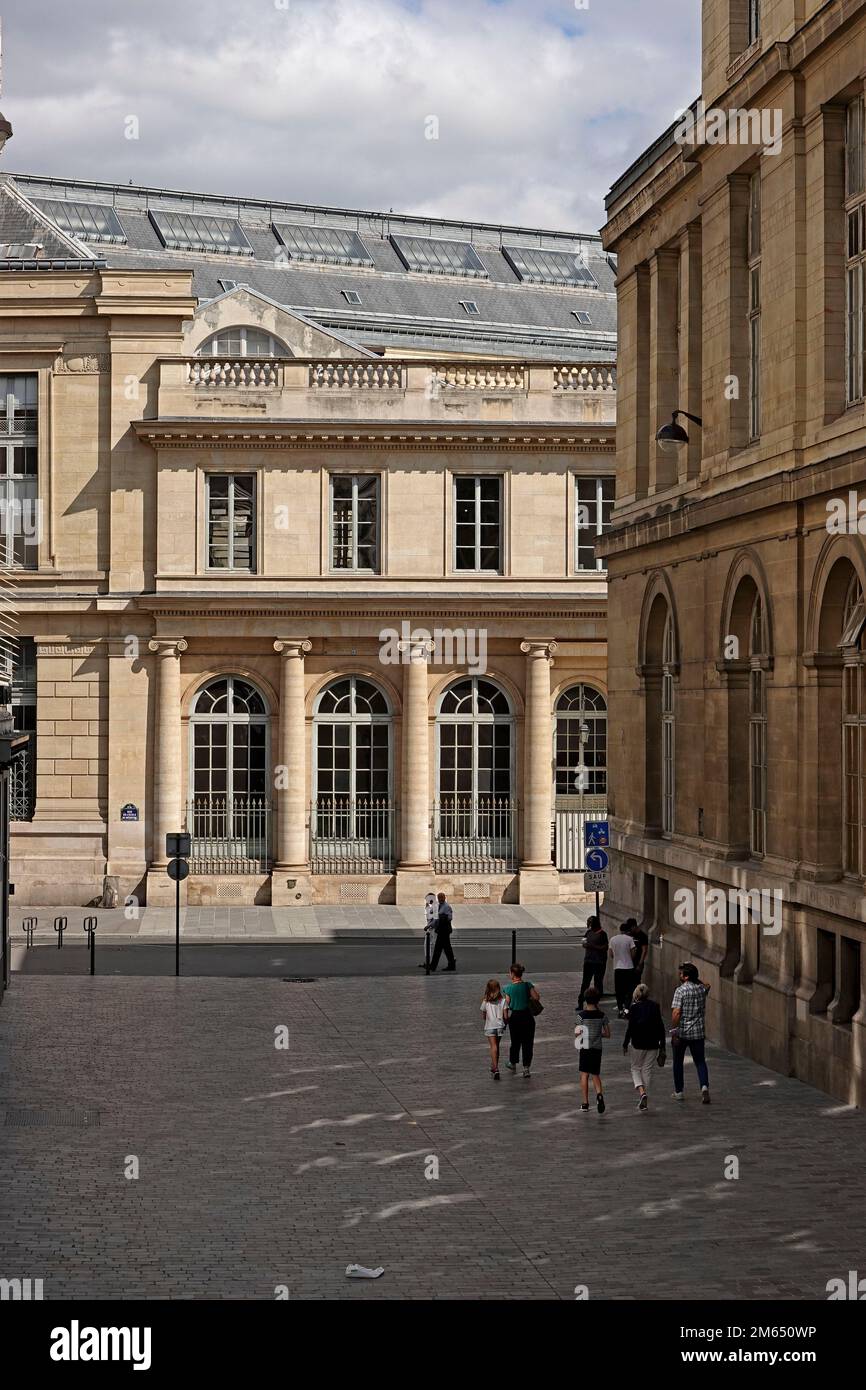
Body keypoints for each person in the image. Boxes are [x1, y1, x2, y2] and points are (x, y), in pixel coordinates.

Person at [671, 962, 712, 1103]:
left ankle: (679, 1091)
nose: (679, 976)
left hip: (682, 1032)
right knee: (700, 1061)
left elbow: (676, 1012)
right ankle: (704, 1087)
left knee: (677, 1062)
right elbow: (708, 985)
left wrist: (674, 1031)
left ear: (686, 977)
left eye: (681, 974)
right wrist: (696, 980)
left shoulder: (680, 991)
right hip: (698, 1032)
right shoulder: (701, 989)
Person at [622, 982, 666, 1110]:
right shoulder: (655, 1006)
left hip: (638, 1043)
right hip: (653, 1043)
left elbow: (630, 1028)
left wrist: (625, 1043)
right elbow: (660, 1026)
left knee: (635, 1068)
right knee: (646, 1069)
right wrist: (662, 1045)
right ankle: (644, 1094)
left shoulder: (634, 1008)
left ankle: (642, 1093)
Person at [575, 985, 610, 1112]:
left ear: (585, 1000)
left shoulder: (581, 1016)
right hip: (597, 1048)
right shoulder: (602, 1015)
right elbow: (607, 1034)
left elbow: (577, 1034)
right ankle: (599, 1094)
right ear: (598, 1000)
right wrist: (598, 1034)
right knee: (595, 1073)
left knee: (584, 1075)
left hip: (585, 1047)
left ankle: (585, 1103)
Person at [502, 963, 540, 1077]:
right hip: (528, 1017)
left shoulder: (508, 988)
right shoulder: (527, 985)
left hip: (515, 1018)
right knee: (528, 1043)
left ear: (513, 974)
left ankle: (513, 1063)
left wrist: (505, 1017)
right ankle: (526, 1068)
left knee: (515, 1042)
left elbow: (506, 1004)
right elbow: (537, 997)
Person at [578, 914, 608, 1007]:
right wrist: (585, 944)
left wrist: (593, 947)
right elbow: (585, 941)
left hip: (599, 962)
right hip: (588, 961)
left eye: (590, 923)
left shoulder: (602, 934)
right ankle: (581, 1002)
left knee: (598, 982)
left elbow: (605, 947)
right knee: (585, 982)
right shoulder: (588, 932)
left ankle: (596, 1002)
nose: (589, 925)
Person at [608, 923, 638, 1017]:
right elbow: (633, 953)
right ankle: (627, 1009)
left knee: (619, 990)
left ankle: (620, 1009)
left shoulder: (612, 939)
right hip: (628, 967)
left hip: (618, 967)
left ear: (620, 930)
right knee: (629, 990)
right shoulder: (630, 939)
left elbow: (611, 954)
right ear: (628, 930)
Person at [480, 979, 507, 1079]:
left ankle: (495, 1068)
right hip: (500, 1025)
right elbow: (506, 1016)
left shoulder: (485, 1001)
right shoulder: (503, 1000)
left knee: (493, 1047)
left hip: (490, 1025)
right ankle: (494, 1065)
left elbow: (483, 1015)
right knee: (497, 1046)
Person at [429, 892, 456, 972]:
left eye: (441, 897)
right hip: (441, 931)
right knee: (447, 949)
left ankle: (433, 966)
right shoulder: (439, 906)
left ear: (444, 898)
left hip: (444, 931)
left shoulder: (447, 907)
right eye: (439, 897)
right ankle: (451, 965)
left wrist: (443, 918)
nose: (440, 899)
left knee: (438, 949)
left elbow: (450, 917)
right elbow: (436, 918)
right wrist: (430, 925)